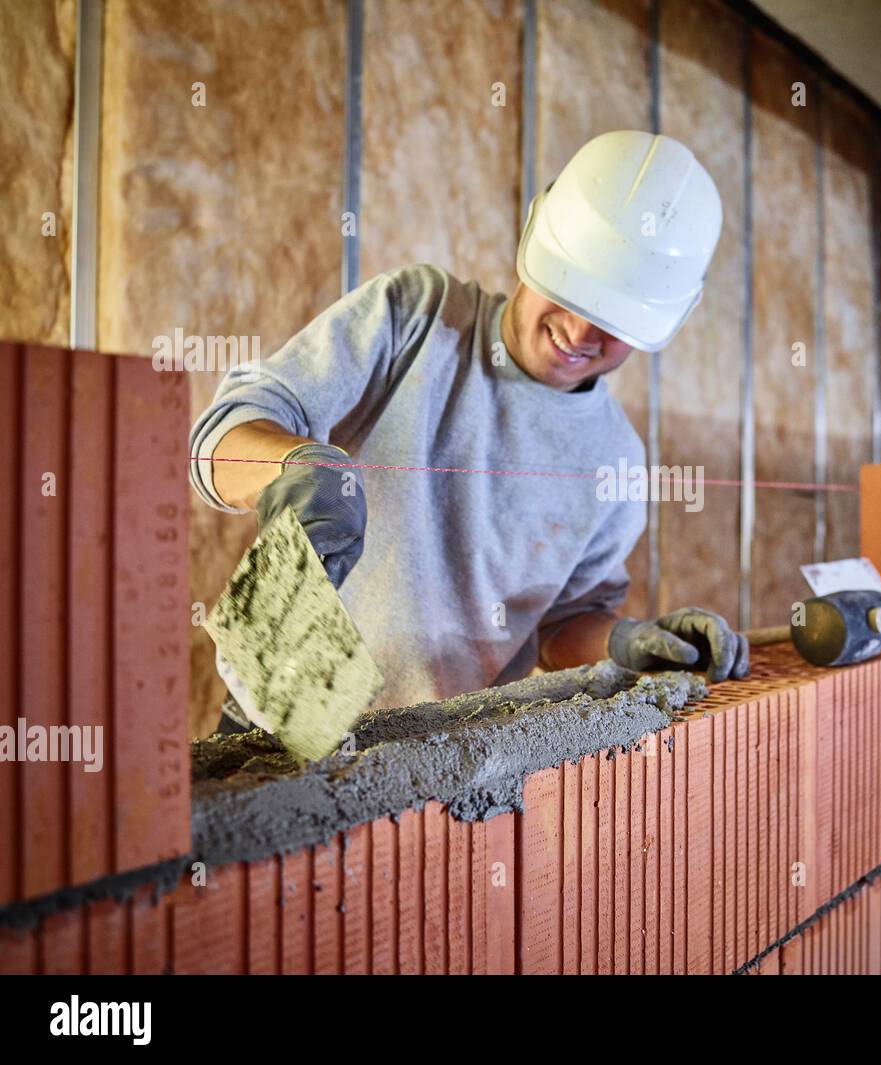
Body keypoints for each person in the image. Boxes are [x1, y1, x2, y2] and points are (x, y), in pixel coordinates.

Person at [190, 130, 749, 719]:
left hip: (447, 753)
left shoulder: (617, 459)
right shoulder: (419, 317)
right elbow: (222, 437)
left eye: (615, 322)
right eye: (573, 293)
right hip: (280, 713)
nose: (581, 335)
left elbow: (559, 627)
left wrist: (624, 645)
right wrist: (298, 469)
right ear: (537, 240)